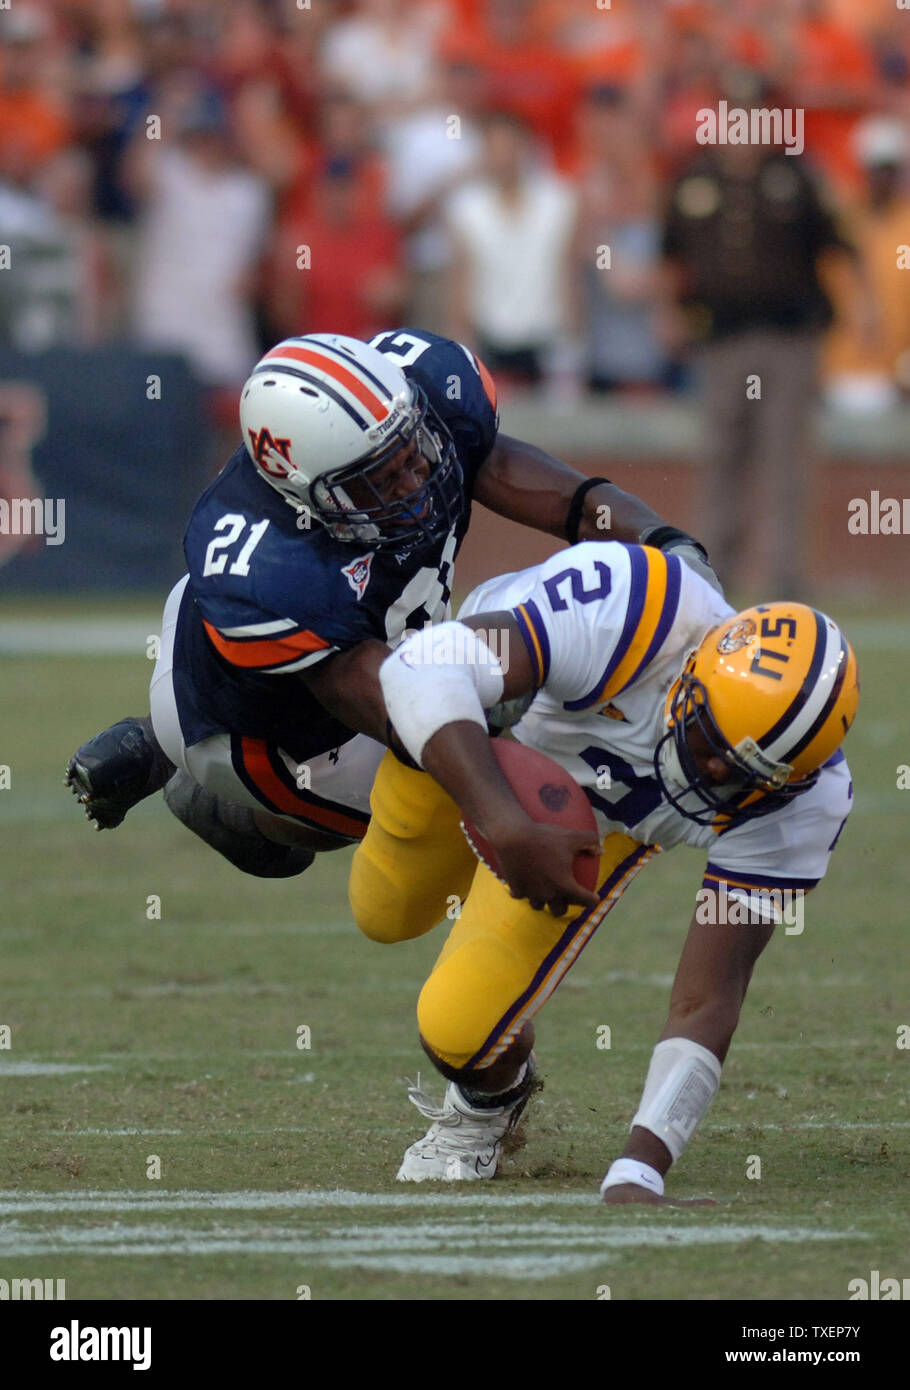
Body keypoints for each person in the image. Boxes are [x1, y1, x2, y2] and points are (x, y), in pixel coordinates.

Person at [66, 328, 714, 881]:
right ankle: (192, 780)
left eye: (413, 451)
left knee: (485, 693)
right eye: (380, 479)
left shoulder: (422, 388)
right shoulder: (269, 569)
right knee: (365, 824)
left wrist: (660, 541)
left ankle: (155, 745)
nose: (416, 480)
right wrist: (501, 803)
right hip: (265, 730)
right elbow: (388, 699)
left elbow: (502, 466)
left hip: (339, 640)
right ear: (305, 496)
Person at [353, 539, 858, 1199]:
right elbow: (420, 670)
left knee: (458, 1028)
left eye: (739, 778)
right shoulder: (638, 610)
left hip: (591, 823)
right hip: (469, 732)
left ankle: (486, 1104)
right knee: (383, 911)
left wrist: (642, 1165)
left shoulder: (801, 808)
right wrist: (505, 823)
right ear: (692, 675)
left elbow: (709, 996)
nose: (709, 775)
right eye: (710, 745)